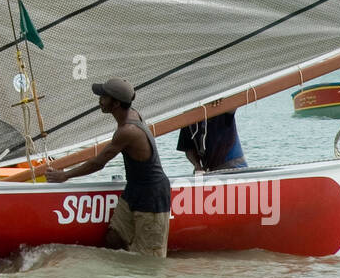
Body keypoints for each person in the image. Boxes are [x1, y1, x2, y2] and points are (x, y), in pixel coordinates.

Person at [45, 78, 171, 257]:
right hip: (134, 190)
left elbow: (98, 163)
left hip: (153, 196)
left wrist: (65, 176)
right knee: (114, 239)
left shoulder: (127, 130)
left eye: (104, 97)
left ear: (117, 103)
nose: (100, 100)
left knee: (149, 259)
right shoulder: (129, 114)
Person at [177, 108, 247, 172]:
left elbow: (232, 105)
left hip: (234, 167)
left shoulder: (219, 108)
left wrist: (219, 99)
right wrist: (197, 165)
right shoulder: (188, 119)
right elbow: (189, 149)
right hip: (210, 170)